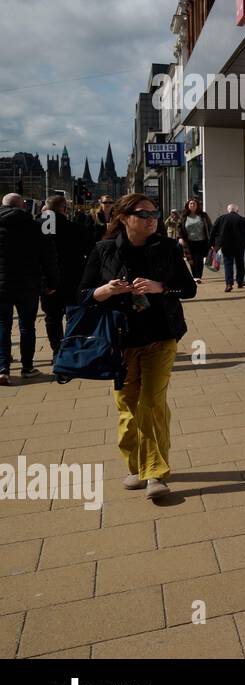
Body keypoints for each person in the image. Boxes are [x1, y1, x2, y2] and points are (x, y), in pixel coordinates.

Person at [79, 194, 195, 499]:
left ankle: (155, 472)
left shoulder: (167, 248)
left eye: (154, 213)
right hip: (120, 341)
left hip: (161, 336)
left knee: (151, 403)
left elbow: (189, 288)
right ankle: (136, 466)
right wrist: (103, 291)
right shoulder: (103, 250)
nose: (151, 218)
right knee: (128, 407)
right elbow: (82, 293)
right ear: (123, 217)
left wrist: (161, 288)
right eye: (143, 214)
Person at [0, 193, 58, 385]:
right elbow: (48, 258)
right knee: (27, 327)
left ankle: (3, 368)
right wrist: (51, 283)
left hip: (1, 286)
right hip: (28, 285)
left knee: (3, 326)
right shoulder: (36, 227)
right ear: (23, 205)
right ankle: (27, 367)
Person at [40, 194, 92, 358]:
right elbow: (90, 251)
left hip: (49, 281)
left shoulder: (43, 227)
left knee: (52, 318)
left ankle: (57, 351)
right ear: (64, 209)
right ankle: (72, 349)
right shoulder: (75, 228)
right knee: (73, 315)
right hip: (73, 280)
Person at [210, 203, 245, 292]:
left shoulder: (221, 219)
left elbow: (213, 231)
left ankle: (229, 284)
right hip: (239, 246)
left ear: (228, 210)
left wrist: (212, 244)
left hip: (226, 246)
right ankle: (240, 281)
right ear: (237, 210)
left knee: (228, 264)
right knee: (240, 263)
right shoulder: (242, 219)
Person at [179, 197, 212, 282]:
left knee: (199, 259)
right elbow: (179, 228)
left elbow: (209, 227)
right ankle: (194, 276)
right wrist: (180, 238)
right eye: (190, 204)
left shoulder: (203, 215)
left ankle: (198, 276)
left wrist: (212, 240)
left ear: (197, 205)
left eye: (194, 204)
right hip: (189, 242)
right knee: (191, 260)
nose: (192, 205)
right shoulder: (184, 216)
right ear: (188, 205)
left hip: (202, 241)